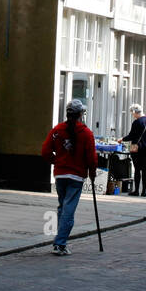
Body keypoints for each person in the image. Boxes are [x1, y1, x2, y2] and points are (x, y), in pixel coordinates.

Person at [42, 99, 97, 255]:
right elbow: (91, 158)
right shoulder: (86, 133)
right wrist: (92, 173)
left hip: (60, 174)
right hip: (76, 175)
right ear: (81, 114)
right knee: (68, 210)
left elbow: (45, 151)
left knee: (62, 207)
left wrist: (57, 161)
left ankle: (60, 239)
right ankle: (60, 243)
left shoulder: (57, 130)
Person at [120, 104, 146, 197]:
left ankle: (136, 191)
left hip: (137, 148)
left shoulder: (137, 122)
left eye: (132, 113)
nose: (133, 115)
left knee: (137, 169)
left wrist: (122, 139)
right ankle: (144, 191)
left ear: (135, 112)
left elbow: (131, 136)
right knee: (144, 169)